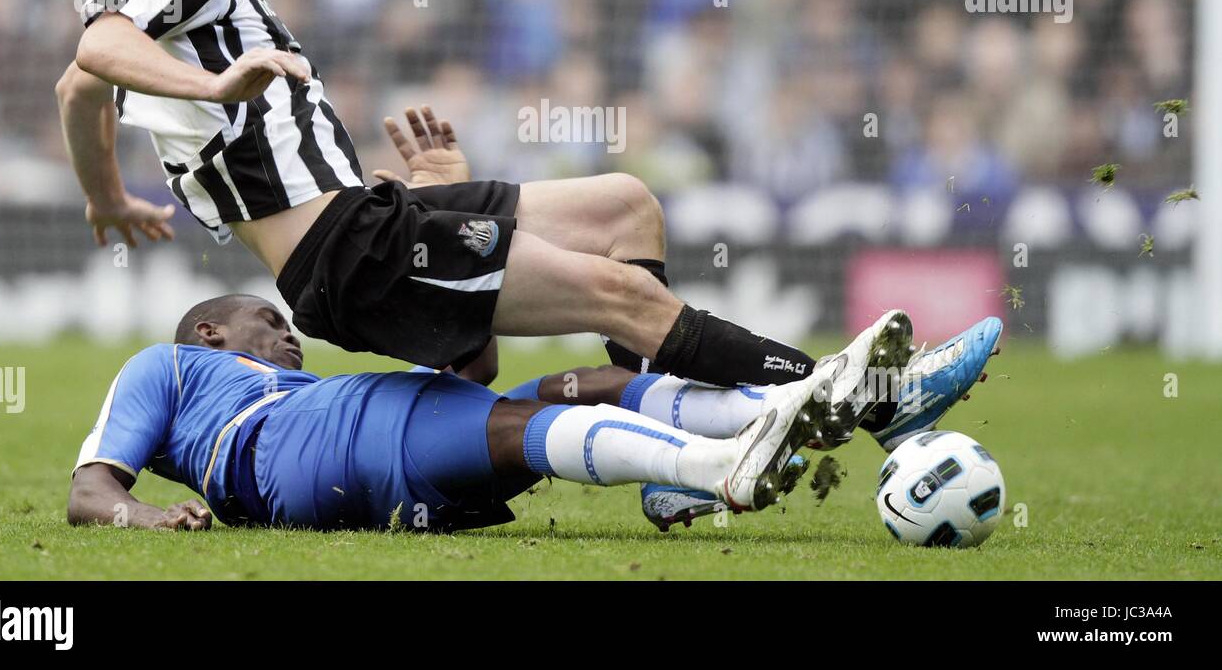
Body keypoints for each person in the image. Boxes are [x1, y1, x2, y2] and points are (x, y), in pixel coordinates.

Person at [54, 0, 905, 435]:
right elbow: (96, 45)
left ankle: (664, 437)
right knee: (625, 297)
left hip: (374, 217)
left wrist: (109, 196)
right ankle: (851, 395)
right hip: (346, 254)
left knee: (625, 206)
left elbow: (78, 89)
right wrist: (213, 85)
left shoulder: (228, 2)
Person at [68, 294, 915, 533]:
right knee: (514, 425)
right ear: (210, 332)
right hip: (301, 447)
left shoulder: (292, 386)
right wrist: (147, 515)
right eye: (271, 321)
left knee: (571, 387)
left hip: (343, 458)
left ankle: (780, 405)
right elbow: (89, 490)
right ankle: (721, 465)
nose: (290, 335)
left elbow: (472, 365)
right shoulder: (171, 365)